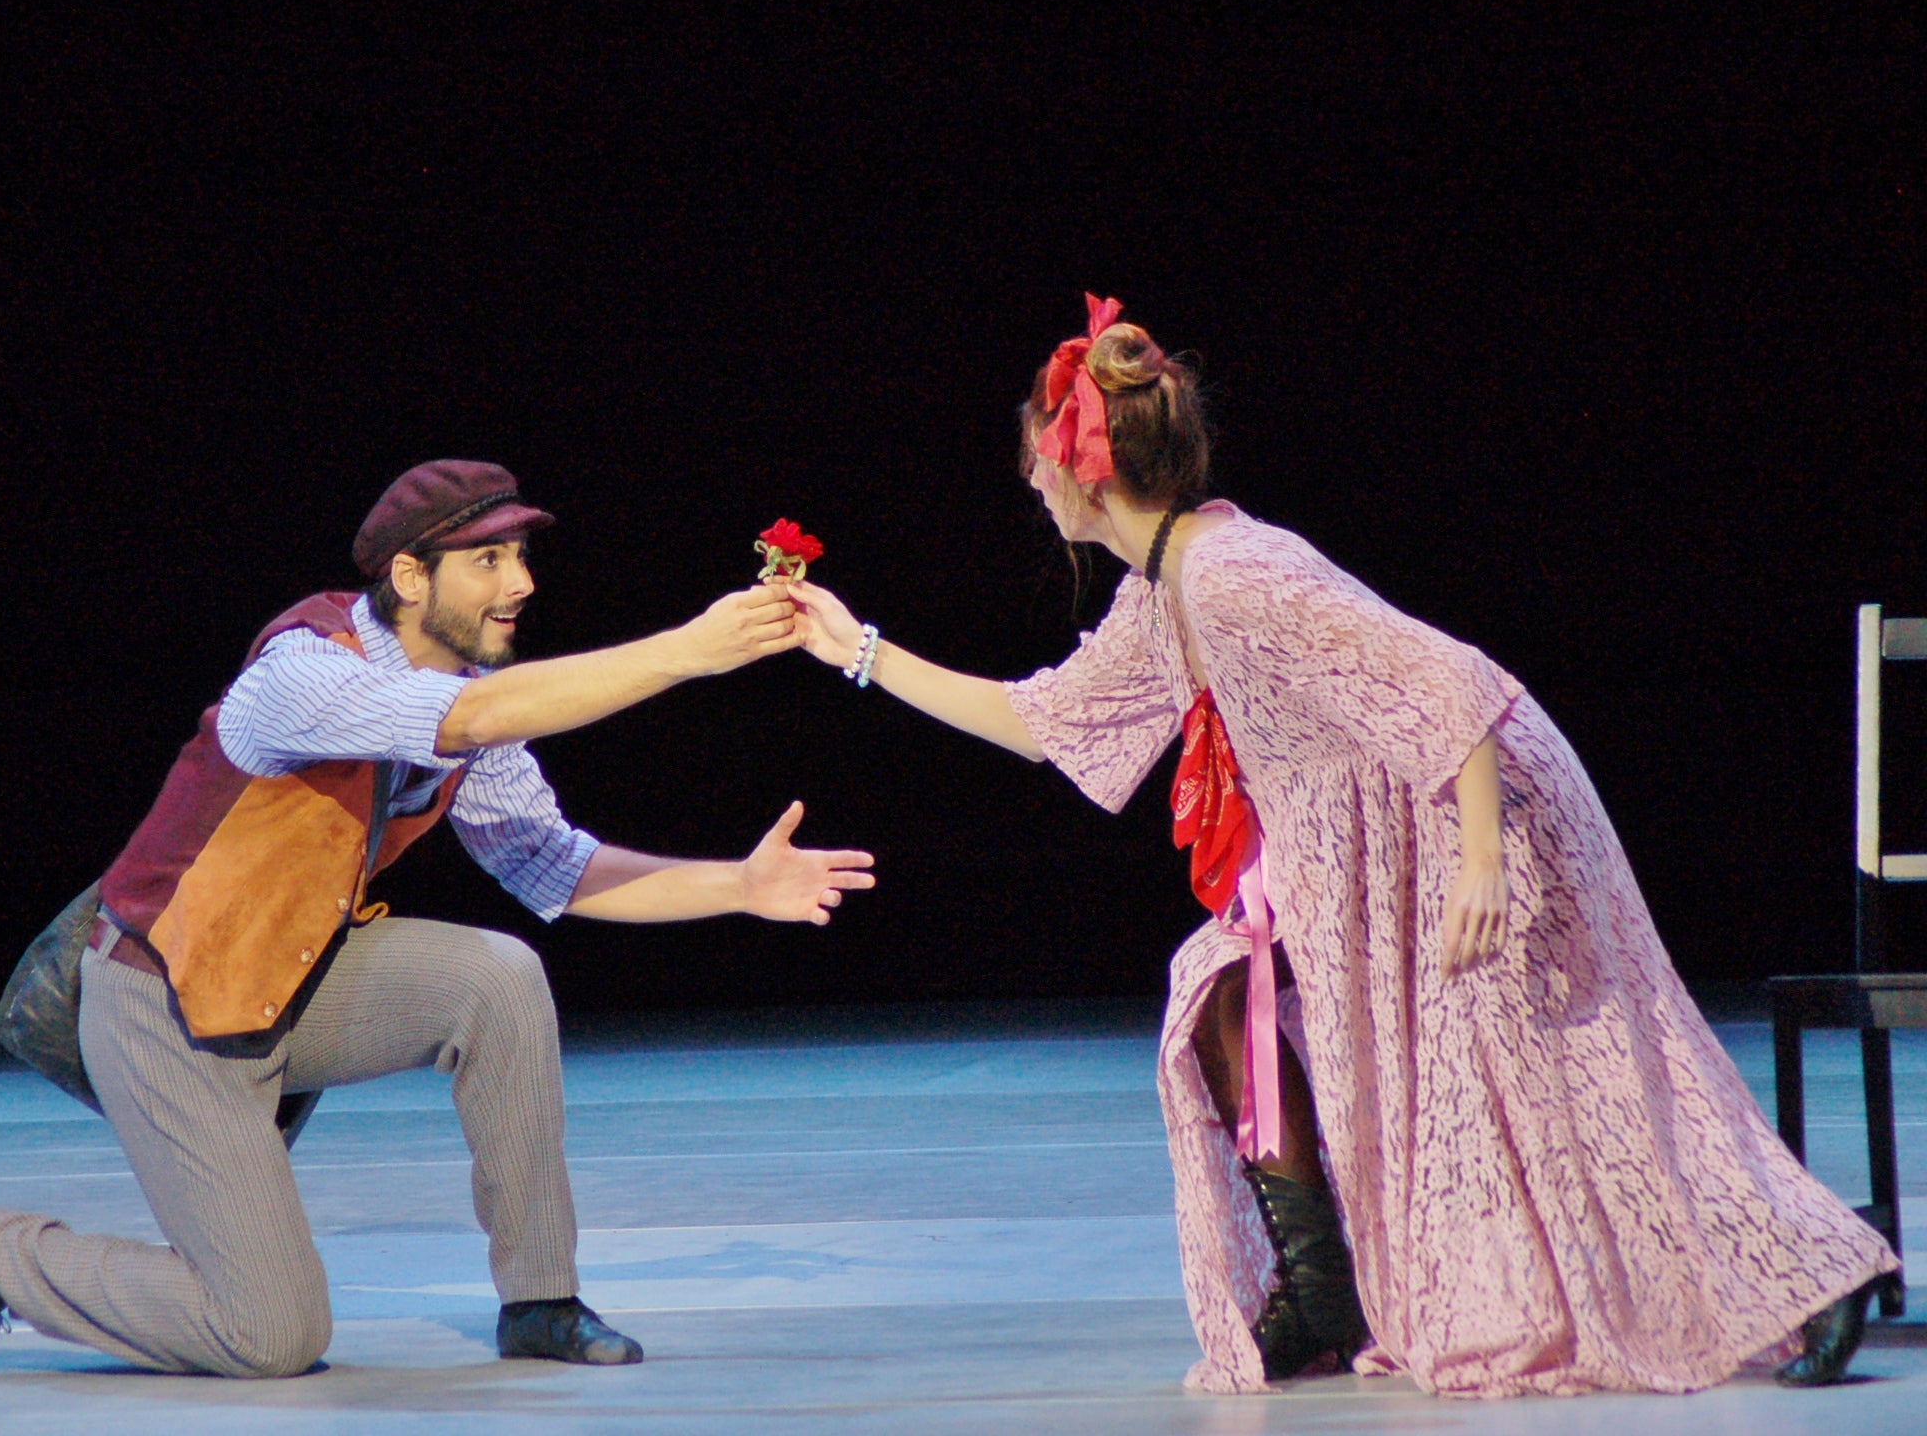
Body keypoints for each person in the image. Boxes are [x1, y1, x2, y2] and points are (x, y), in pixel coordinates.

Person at [786, 296, 1900, 1397]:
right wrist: (857, 650)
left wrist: (1476, 861)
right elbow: (1043, 721)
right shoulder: (1171, 582)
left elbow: (1449, 673)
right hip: (1398, 837)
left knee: (1588, 1068)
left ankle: (1812, 1272)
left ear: (1085, 471)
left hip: (1476, 810)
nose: (1028, 476)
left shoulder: (1232, 572)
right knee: (1231, 994)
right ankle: (1329, 1291)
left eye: (1037, 455)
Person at [0, 458, 875, 1380]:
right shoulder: (301, 670)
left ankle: (539, 1301)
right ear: (410, 577)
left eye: (522, 558)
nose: (522, 584)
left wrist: (736, 887)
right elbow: (460, 722)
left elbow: (552, 863)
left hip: (287, 983)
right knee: (272, 1335)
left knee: (498, 978)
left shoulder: (470, 699)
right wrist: (688, 651)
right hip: (163, 1000)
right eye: (489, 561)